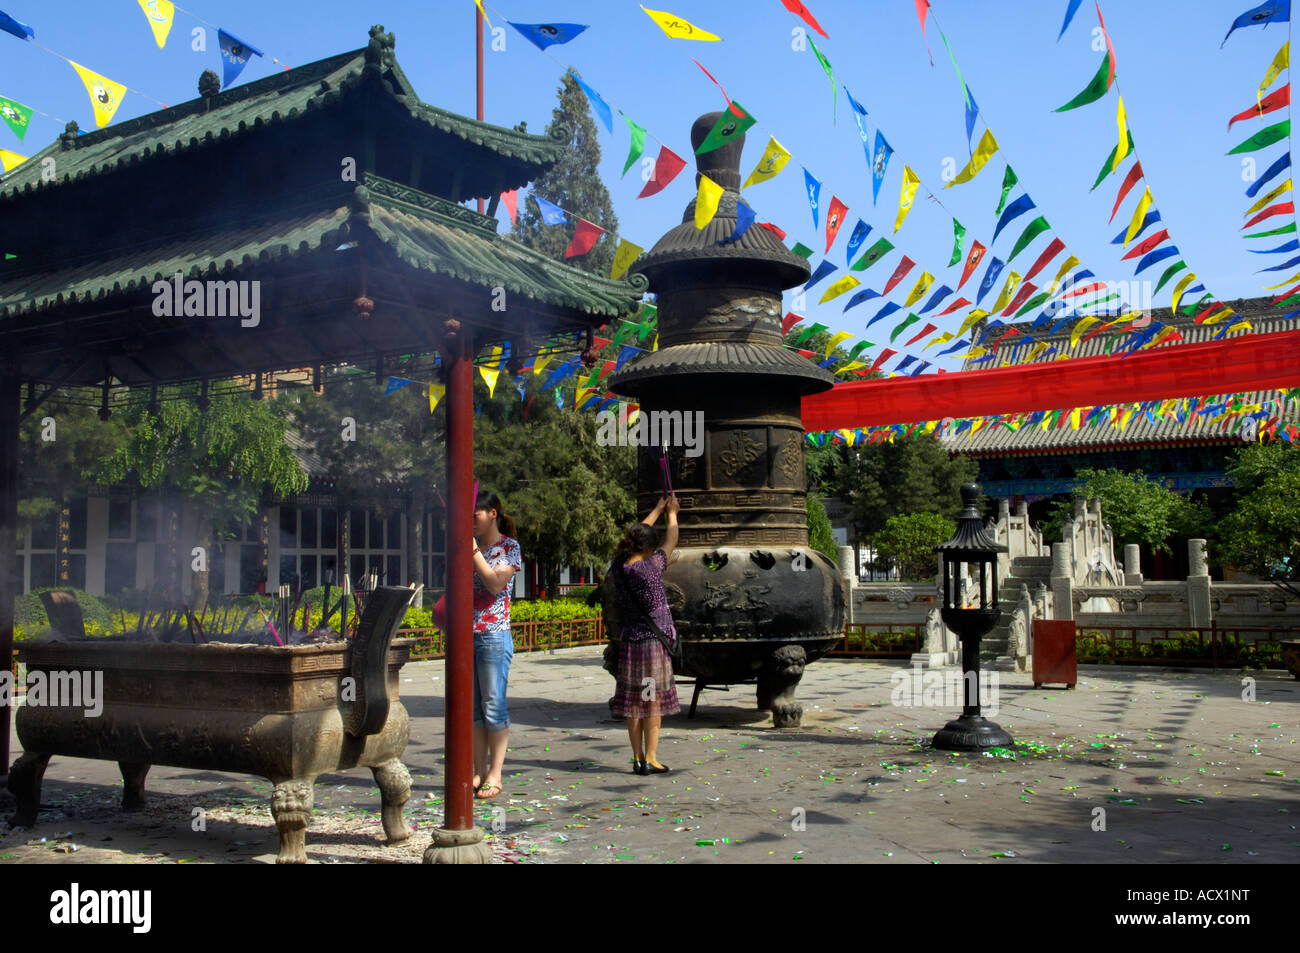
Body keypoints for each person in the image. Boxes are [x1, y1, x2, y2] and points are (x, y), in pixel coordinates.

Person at [609, 494, 681, 775]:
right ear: (649, 548)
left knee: (632, 701)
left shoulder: (620, 566)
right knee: (651, 701)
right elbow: (671, 542)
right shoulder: (648, 569)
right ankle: (651, 757)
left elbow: (635, 535)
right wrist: (672, 514)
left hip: (630, 642)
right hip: (652, 644)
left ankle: (637, 756)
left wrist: (656, 510)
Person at [470, 490, 522, 800]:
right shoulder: (471, 546)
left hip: (493, 634)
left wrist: (473, 551)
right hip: (466, 634)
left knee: (493, 705)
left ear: (492, 513)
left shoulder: (508, 547)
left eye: (475, 515)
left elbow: (494, 583)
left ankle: (495, 774)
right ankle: (478, 770)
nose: (471, 522)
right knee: (474, 710)